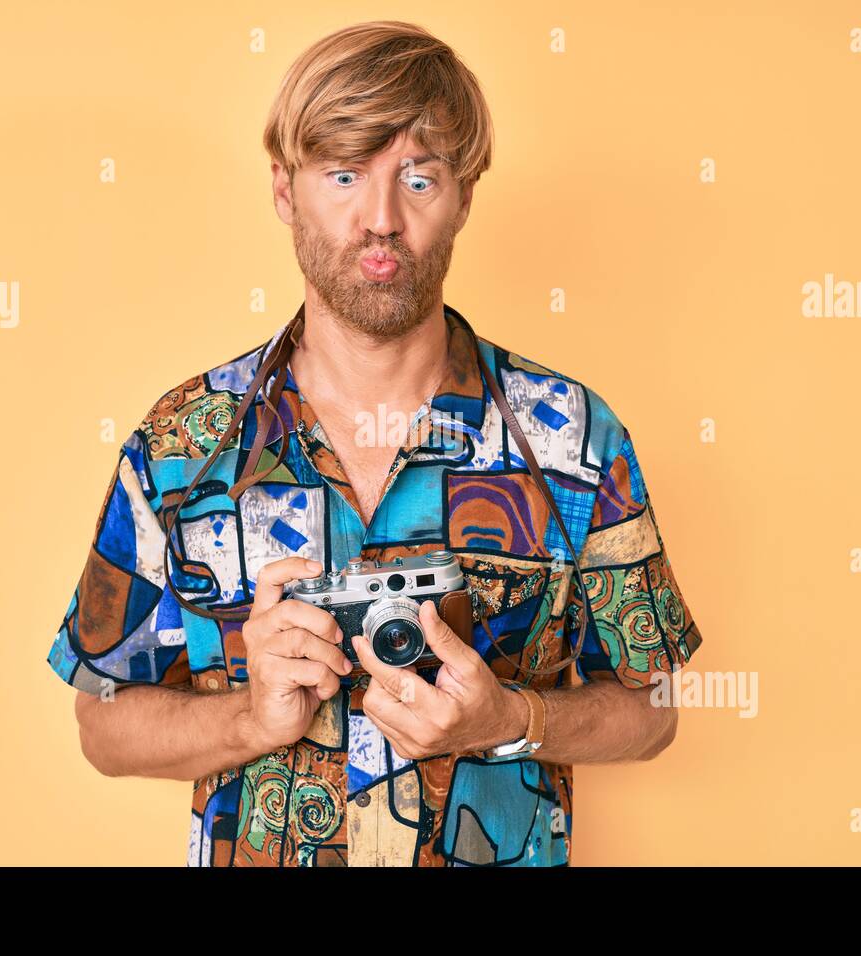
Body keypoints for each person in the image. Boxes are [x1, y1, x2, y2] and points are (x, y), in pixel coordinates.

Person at [46, 20, 704, 867]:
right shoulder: (184, 445)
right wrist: (249, 718)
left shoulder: (571, 437)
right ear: (286, 191)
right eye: (346, 175)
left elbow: (652, 712)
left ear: (465, 194)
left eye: (419, 178)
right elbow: (103, 726)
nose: (381, 219)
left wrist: (509, 719)